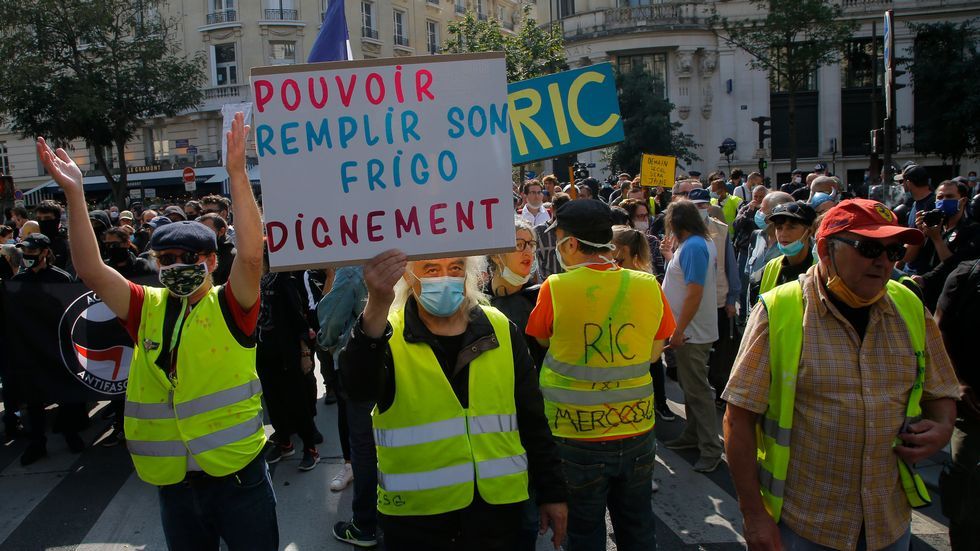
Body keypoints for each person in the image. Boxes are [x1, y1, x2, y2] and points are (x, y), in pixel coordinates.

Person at [36, 113, 278, 549]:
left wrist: (238, 175)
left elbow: (251, 258)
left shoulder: (231, 303)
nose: (175, 266)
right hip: (174, 486)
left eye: (187, 258)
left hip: (238, 477)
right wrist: (74, 193)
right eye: (165, 260)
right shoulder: (145, 305)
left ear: (211, 261)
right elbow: (91, 270)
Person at [723, 199, 960, 550]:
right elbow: (738, 419)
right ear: (826, 250)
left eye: (893, 251)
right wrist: (754, 515)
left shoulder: (910, 306)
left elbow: (942, 391)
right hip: (806, 527)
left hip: (889, 524)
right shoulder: (779, 310)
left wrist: (941, 428)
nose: (883, 261)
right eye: (868, 248)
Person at [341, 250, 568, 551]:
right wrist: (377, 305)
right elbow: (358, 389)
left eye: (456, 267)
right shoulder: (387, 335)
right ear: (408, 274)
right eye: (431, 269)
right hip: (417, 522)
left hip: (500, 517)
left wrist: (553, 492)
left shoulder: (500, 328)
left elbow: (533, 418)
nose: (445, 278)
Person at [525, 199, 673, 551]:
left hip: (575, 434)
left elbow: (541, 339)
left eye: (558, 240)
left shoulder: (555, 287)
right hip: (637, 429)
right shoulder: (648, 284)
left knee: (584, 533)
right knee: (638, 527)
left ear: (571, 244)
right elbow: (656, 350)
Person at [10, 233, 86, 465]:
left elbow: (71, 312)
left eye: (32, 251)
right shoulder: (19, 280)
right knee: (33, 399)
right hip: (31, 349)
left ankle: (70, 433)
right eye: (25, 251)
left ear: (45, 252)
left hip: (57, 347)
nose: (27, 255)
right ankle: (37, 443)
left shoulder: (61, 278)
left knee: (65, 393)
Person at [660, 200, 723, 473]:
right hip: (691, 332)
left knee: (697, 392)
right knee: (691, 388)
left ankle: (710, 449)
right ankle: (693, 435)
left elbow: (694, 292)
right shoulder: (695, 244)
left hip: (691, 334)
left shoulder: (694, 246)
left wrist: (679, 330)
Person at [257, 263, 321, 472]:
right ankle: (285, 443)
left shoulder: (284, 281)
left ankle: (310, 449)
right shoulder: (251, 282)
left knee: (297, 401)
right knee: (273, 401)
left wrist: (305, 353)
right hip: (263, 353)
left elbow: (298, 318)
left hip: (287, 354)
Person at [936, 258, 980, 549]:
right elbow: (938, 331)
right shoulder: (966, 276)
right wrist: (957, 382)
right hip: (971, 409)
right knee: (964, 486)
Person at [612, 225, 674, 422]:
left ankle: (659, 404)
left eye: (610, 246)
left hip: (629, 349)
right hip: (641, 347)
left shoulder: (639, 280)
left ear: (622, 250)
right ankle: (659, 405)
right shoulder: (648, 280)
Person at [690, 189, 740, 406]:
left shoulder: (721, 229)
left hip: (719, 299)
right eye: (695, 206)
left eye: (703, 205)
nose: (699, 209)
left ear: (708, 207)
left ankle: (721, 391)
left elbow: (731, 265)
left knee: (721, 352)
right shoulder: (679, 229)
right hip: (694, 302)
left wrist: (732, 299)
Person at [913, 179, 980, 310]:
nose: (944, 201)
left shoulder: (972, 230)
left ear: (963, 201)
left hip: (951, 300)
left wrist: (936, 239)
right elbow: (908, 258)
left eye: (949, 197)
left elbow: (956, 267)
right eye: (940, 197)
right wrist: (920, 233)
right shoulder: (935, 226)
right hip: (926, 295)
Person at [748, 201, 817, 305]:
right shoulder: (769, 268)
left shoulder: (821, 270)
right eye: (779, 228)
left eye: (791, 227)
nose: (783, 234)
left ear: (809, 231)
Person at [534, 192, 571, 281]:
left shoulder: (573, 231)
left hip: (569, 282)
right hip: (547, 283)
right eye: (559, 210)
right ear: (551, 209)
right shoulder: (538, 231)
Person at [197, 213, 237, 286]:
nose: (201, 234)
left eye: (207, 230)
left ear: (221, 231)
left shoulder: (232, 257)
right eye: (199, 230)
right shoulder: (198, 252)